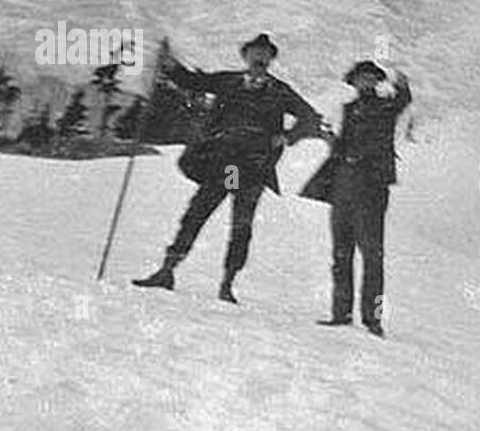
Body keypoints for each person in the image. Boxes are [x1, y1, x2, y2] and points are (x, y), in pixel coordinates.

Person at [132, 34, 324, 303]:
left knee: (240, 226)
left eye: (265, 54)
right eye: (255, 53)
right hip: (226, 165)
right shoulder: (227, 81)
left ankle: (227, 284)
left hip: (254, 168)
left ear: (270, 59)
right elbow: (194, 82)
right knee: (197, 214)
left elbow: (310, 117)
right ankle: (167, 271)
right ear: (245, 56)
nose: (260, 58)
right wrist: (170, 65)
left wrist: (288, 137)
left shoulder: (280, 91)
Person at [301, 60, 411, 336]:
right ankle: (341, 313)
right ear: (354, 82)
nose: (366, 83)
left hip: (371, 190)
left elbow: (403, 99)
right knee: (341, 254)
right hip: (343, 187)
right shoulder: (348, 110)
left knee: (372, 257)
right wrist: (329, 140)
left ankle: (373, 320)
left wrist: (401, 82)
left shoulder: (387, 106)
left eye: (371, 78)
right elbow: (342, 145)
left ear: (377, 81)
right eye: (361, 78)